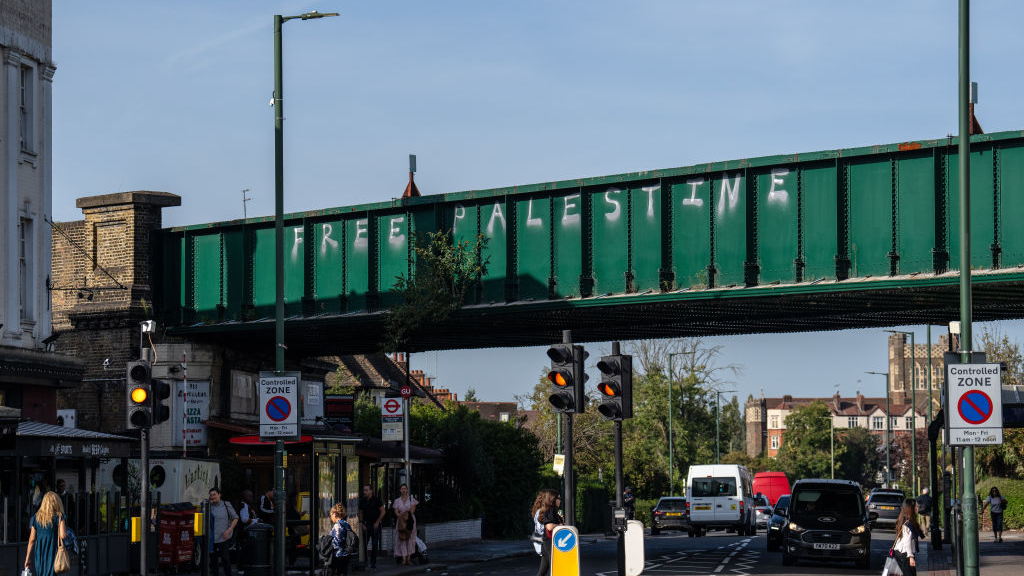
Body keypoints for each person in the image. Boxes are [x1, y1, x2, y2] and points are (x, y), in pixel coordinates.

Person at [24, 491, 67, 576]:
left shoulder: (36, 517)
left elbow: (32, 540)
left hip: (40, 551)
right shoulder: (59, 516)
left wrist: (27, 558)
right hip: (53, 549)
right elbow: (63, 535)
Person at [208, 487, 239, 576]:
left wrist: (229, 530)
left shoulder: (226, 504)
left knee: (226, 559)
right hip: (212, 539)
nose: (213, 497)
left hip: (223, 537)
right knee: (213, 562)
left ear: (219, 495)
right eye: (211, 495)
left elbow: (235, 518)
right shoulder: (209, 506)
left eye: (214, 494)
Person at [532, 488, 562, 576]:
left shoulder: (545, 511)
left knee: (543, 571)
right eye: (559, 498)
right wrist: (560, 525)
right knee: (556, 568)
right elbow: (548, 527)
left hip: (544, 542)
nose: (560, 500)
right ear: (552, 499)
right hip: (548, 542)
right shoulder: (549, 511)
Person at [890, 498, 922, 576]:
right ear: (910, 508)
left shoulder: (903, 520)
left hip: (900, 552)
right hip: (905, 554)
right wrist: (911, 557)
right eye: (916, 506)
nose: (918, 508)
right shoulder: (908, 524)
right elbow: (907, 542)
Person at [358, 484, 385, 570]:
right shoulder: (362, 501)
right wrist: (362, 523)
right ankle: (364, 561)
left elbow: (383, 511)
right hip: (366, 525)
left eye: (366, 490)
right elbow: (360, 513)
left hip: (375, 525)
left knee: (374, 544)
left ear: (371, 491)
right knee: (364, 544)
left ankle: (373, 562)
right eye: (364, 490)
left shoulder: (377, 500)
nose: (364, 492)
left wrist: (377, 522)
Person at [392, 484, 418, 566]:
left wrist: (405, 516)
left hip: (410, 521)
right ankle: (403, 559)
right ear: (400, 490)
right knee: (402, 538)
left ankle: (409, 558)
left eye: (405, 489)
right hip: (401, 521)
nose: (403, 490)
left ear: (407, 490)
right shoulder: (397, 501)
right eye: (402, 488)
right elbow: (396, 511)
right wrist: (400, 517)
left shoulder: (411, 499)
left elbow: (412, 510)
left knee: (410, 539)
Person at [325, 503, 353, 576]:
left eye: (330, 515)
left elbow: (337, 542)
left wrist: (328, 545)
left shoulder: (338, 525)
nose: (330, 517)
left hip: (338, 555)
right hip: (346, 554)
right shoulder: (346, 524)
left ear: (334, 514)